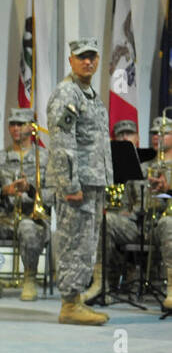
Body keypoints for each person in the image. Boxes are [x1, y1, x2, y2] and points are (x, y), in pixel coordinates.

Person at [45, 39, 113, 326]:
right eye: (81, 57)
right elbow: (62, 142)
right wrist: (69, 185)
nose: (87, 62)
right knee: (74, 241)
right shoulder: (67, 93)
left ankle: (76, 298)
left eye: (92, 57)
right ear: (71, 60)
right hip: (77, 184)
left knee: (86, 242)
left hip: (92, 181)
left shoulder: (90, 95)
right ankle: (70, 304)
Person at [0, 108, 51, 302]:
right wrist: (5, 191)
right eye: (12, 124)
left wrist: (30, 190)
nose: (16, 128)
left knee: (27, 228)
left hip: (32, 219)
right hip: (4, 218)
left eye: (21, 124)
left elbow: (53, 195)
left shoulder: (44, 157)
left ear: (32, 127)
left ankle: (29, 279)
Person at [103, 119, 144, 291]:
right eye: (120, 135)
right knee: (102, 221)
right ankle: (105, 281)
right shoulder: (107, 167)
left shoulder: (144, 164)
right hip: (113, 219)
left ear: (137, 139)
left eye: (129, 134)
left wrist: (132, 213)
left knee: (108, 222)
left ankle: (110, 279)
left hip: (138, 223)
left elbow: (146, 201)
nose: (124, 138)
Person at [147, 115, 172, 308]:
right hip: (143, 223)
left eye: (163, 133)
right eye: (154, 133)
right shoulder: (143, 167)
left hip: (166, 222)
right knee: (107, 221)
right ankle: (102, 284)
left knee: (168, 224)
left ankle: (171, 289)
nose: (157, 137)